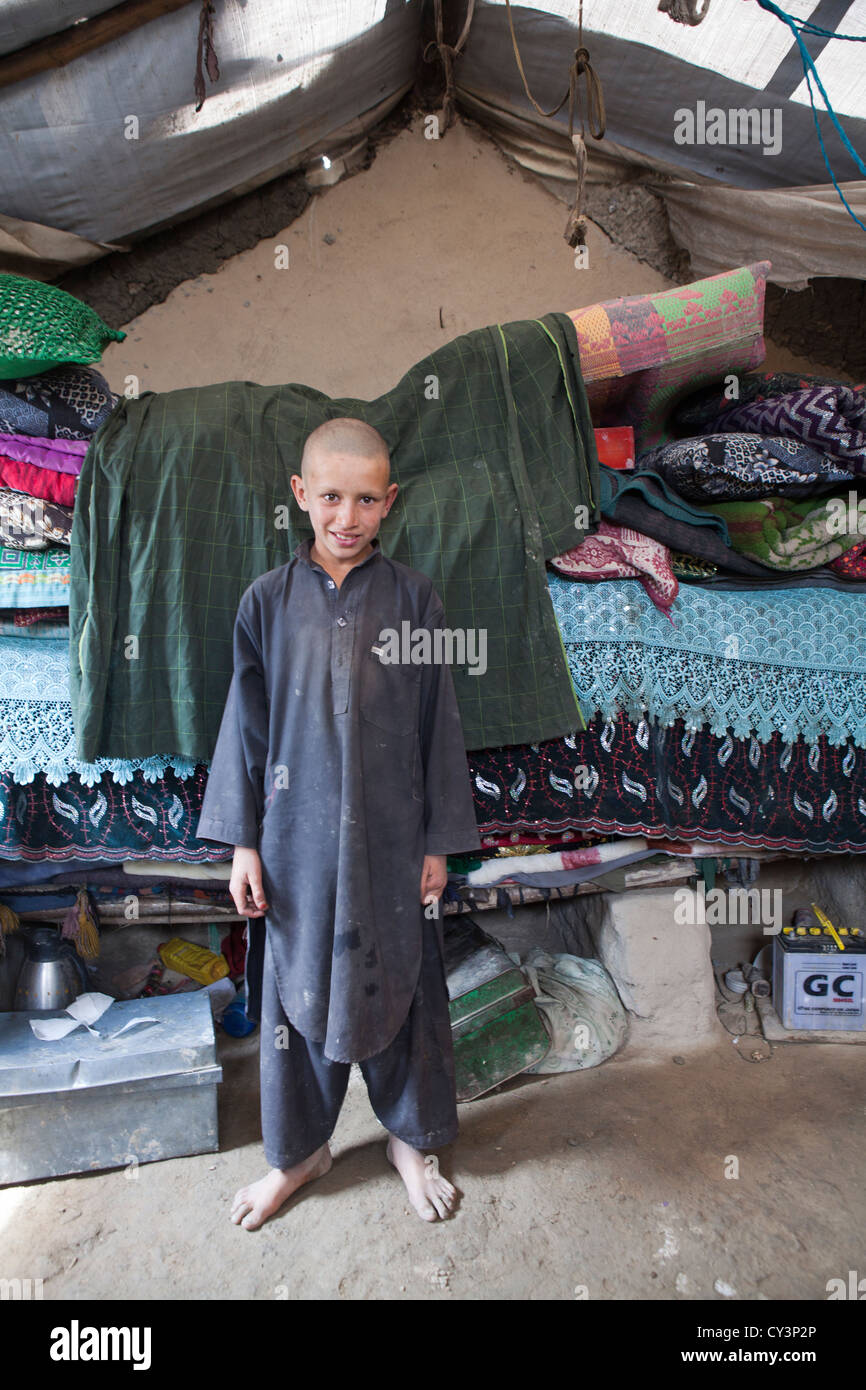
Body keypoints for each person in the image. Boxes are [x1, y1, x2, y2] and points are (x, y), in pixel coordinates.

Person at [196, 417, 482, 1229]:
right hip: (296, 846)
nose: (346, 517)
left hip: (396, 842)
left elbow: (440, 726)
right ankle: (300, 1154)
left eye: (365, 500)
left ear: (390, 501)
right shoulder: (267, 602)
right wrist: (244, 844)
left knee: (407, 984)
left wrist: (438, 846)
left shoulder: (415, 598)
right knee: (294, 993)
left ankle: (410, 1138)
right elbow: (243, 731)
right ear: (300, 495)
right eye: (330, 497)